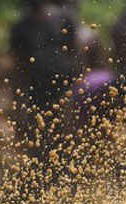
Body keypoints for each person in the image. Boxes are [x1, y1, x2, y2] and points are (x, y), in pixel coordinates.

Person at [9, 0, 78, 146]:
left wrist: (78, 91)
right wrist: (17, 105)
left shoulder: (63, 19)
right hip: (36, 90)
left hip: (64, 86)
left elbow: (75, 55)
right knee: (38, 137)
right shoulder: (20, 28)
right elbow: (17, 68)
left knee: (67, 135)